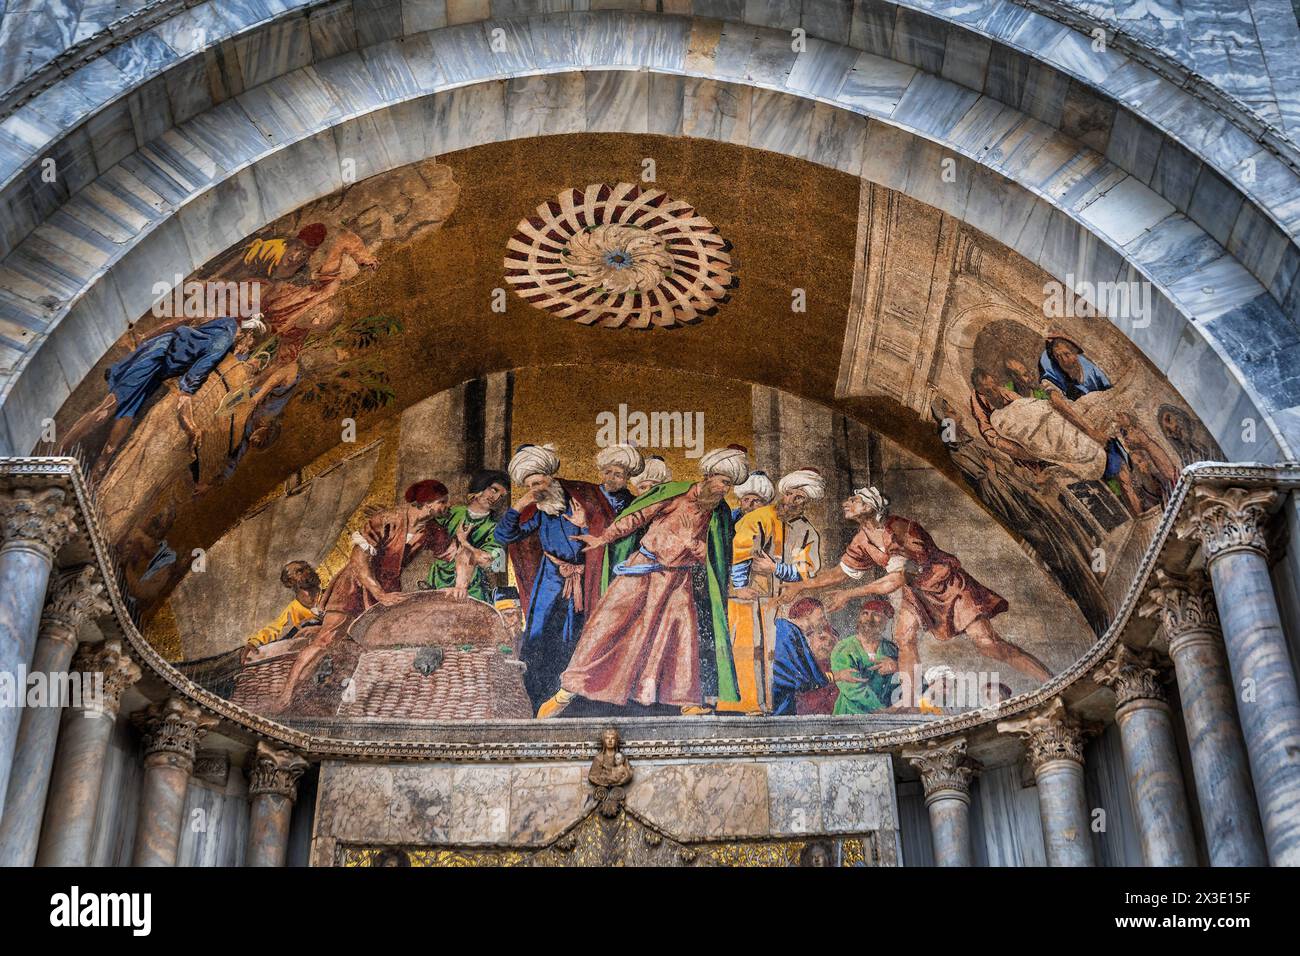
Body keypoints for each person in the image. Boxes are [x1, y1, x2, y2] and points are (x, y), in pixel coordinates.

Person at [777, 486, 1051, 703]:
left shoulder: (900, 529)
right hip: (917, 593)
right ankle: (907, 700)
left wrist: (850, 595)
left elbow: (896, 579)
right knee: (904, 637)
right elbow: (842, 571)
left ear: (872, 506)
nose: (847, 504)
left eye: (855, 500)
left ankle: (1047, 681)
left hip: (948, 586)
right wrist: (803, 586)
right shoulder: (862, 538)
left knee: (987, 644)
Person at [536, 446, 750, 718]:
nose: (724, 489)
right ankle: (566, 693)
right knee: (607, 627)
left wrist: (701, 552)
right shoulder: (677, 493)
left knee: (682, 636)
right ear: (708, 475)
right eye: (722, 481)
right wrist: (603, 539)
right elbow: (636, 517)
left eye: (729, 485)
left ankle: (687, 701)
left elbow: (715, 555)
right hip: (642, 571)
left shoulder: (718, 512)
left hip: (678, 580)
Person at [269, 480, 454, 712]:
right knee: (326, 640)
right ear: (426, 503)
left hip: (388, 590)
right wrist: (379, 593)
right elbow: (358, 561)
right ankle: (286, 695)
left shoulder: (433, 530)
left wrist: (471, 562)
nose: (447, 506)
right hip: (355, 586)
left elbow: (455, 554)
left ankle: (337, 704)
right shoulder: (387, 519)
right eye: (442, 502)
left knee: (366, 645)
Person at [62, 315, 268, 481]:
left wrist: (147, 334)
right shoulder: (222, 343)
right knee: (110, 405)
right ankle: (63, 451)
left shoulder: (221, 321)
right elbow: (190, 385)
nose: (246, 349)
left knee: (128, 410)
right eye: (249, 344)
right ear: (248, 336)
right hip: (158, 356)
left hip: (160, 357)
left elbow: (185, 319)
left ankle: (100, 464)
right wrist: (191, 425)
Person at [495, 444, 616, 710]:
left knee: (577, 634)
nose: (537, 489)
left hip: (585, 578)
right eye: (531, 485)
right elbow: (505, 536)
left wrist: (585, 523)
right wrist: (518, 506)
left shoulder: (584, 496)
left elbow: (611, 530)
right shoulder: (540, 508)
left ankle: (573, 696)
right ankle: (534, 694)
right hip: (551, 576)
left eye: (539, 482)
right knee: (539, 632)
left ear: (550, 477)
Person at [721, 467, 825, 714]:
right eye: (790, 493)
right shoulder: (760, 517)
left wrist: (774, 567)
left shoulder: (805, 530)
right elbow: (740, 554)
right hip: (744, 599)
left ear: (807, 502)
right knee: (744, 649)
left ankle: (765, 706)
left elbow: (805, 570)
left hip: (775, 601)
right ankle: (741, 705)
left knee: (771, 654)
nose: (792, 500)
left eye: (800, 498)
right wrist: (738, 589)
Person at [426, 469, 509, 602]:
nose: (496, 498)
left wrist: (464, 542)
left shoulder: (495, 527)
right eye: (494, 490)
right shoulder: (453, 512)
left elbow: (487, 560)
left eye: (502, 496)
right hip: (439, 579)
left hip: (471, 586)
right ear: (481, 486)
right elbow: (427, 532)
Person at [770, 596, 861, 716]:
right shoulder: (787, 631)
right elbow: (805, 676)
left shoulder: (794, 633)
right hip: (781, 697)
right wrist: (838, 676)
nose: (824, 622)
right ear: (807, 613)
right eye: (821, 617)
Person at [829, 599, 900, 714]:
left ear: (886, 620)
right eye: (865, 613)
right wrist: (884, 711)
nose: (869, 619)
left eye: (876, 614)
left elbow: (909, 679)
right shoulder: (844, 648)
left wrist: (898, 667)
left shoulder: (891, 649)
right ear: (859, 618)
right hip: (851, 716)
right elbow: (854, 690)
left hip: (887, 716)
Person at [245, 560, 323, 656]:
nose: (308, 572)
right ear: (290, 581)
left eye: (308, 568)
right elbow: (275, 629)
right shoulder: (293, 609)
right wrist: (254, 642)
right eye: (299, 571)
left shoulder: (330, 593)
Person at [594, 444, 644, 514]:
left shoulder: (634, 504)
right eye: (607, 472)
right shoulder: (590, 495)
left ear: (628, 476)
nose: (611, 478)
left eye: (618, 475)